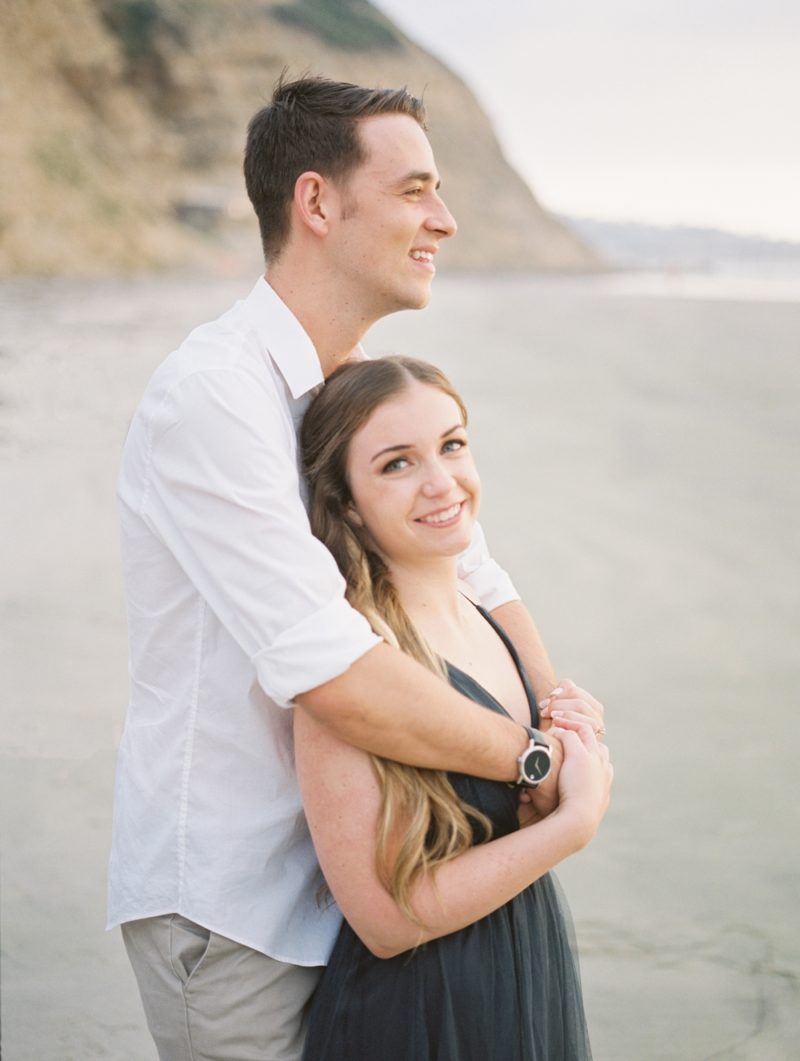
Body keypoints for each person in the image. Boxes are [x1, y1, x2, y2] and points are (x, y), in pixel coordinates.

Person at [108, 76, 574, 1061]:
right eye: (413, 190)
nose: (442, 220)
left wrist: (557, 709)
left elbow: (478, 575)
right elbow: (334, 672)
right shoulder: (214, 395)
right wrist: (534, 765)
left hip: (372, 868)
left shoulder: (355, 385)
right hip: (239, 904)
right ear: (316, 202)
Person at [296, 355, 612, 1060]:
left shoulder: (487, 616)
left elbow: (531, 780)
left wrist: (569, 731)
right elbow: (384, 918)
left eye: (452, 444)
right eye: (396, 464)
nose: (442, 482)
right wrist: (572, 824)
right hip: (421, 1007)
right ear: (346, 500)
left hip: (528, 959)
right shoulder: (354, 664)